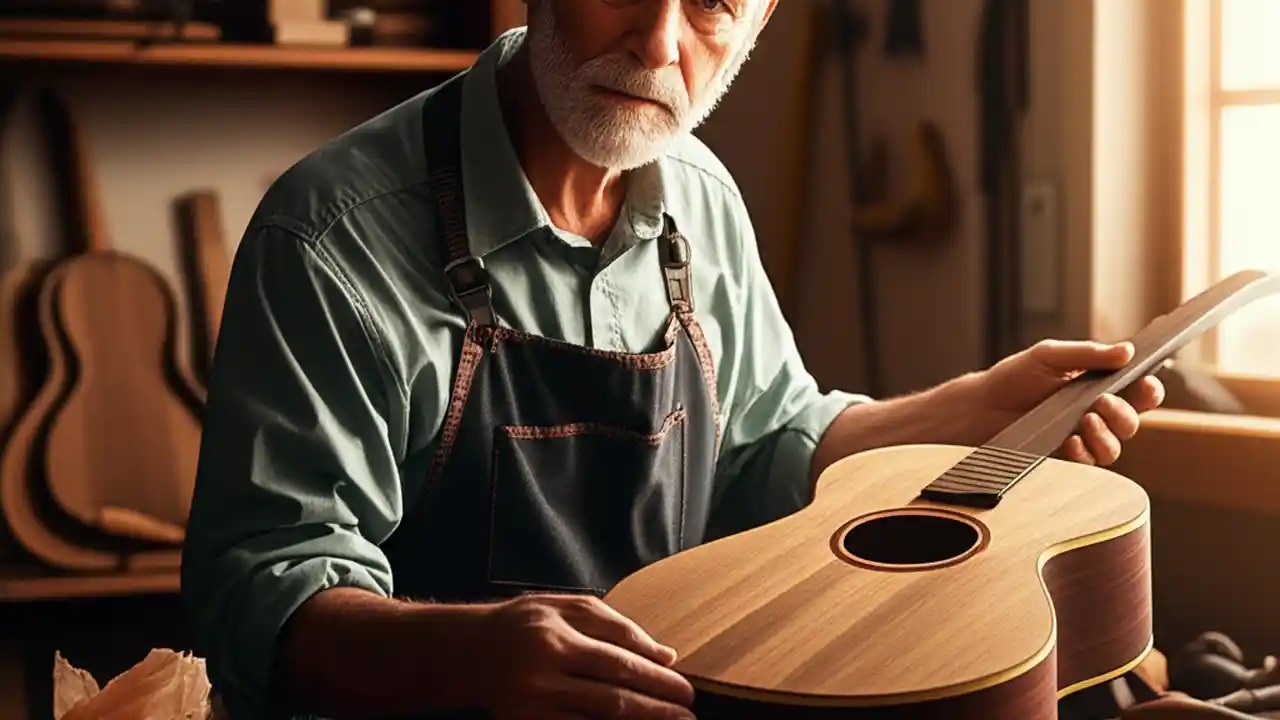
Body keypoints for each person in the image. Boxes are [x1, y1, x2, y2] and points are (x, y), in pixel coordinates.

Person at [180, 1, 1166, 718]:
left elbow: (766, 449)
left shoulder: (695, 192)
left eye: (709, 7)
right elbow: (254, 594)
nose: (657, 44)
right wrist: (467, 657)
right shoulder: (327, 238)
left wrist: (959, 410)